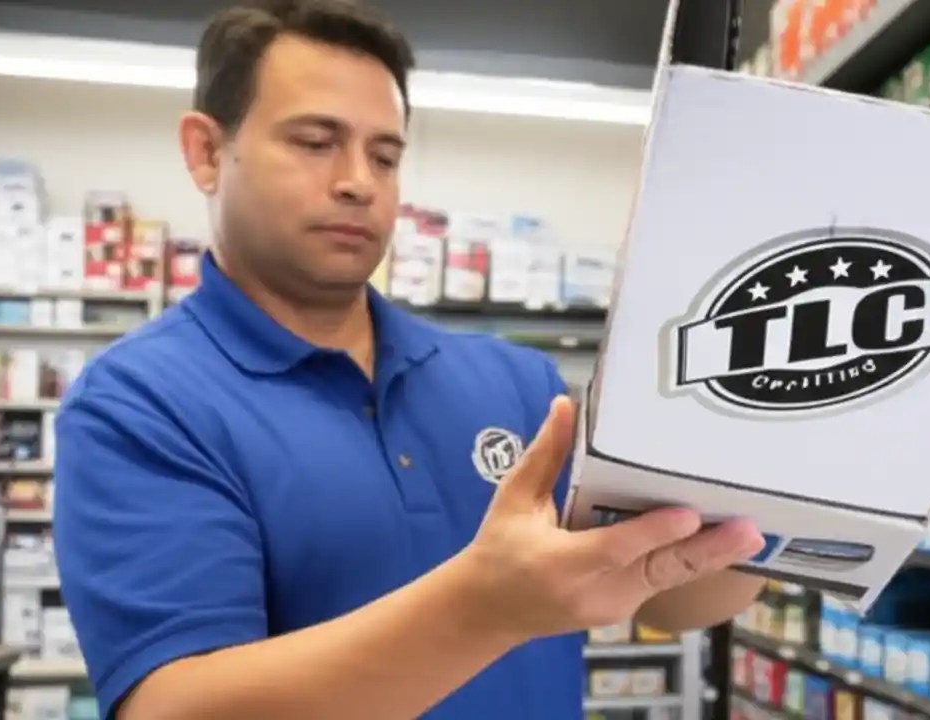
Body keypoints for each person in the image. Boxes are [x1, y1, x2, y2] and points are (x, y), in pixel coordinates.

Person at [52, 1, 767, 718]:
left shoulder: (518, 385)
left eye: (385, 155)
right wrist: (486, 608)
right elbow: (175, 706)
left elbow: (673, 598)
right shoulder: (139, 404)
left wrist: (756, 510)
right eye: (314, 142)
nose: (358, 181)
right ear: (207, 151)